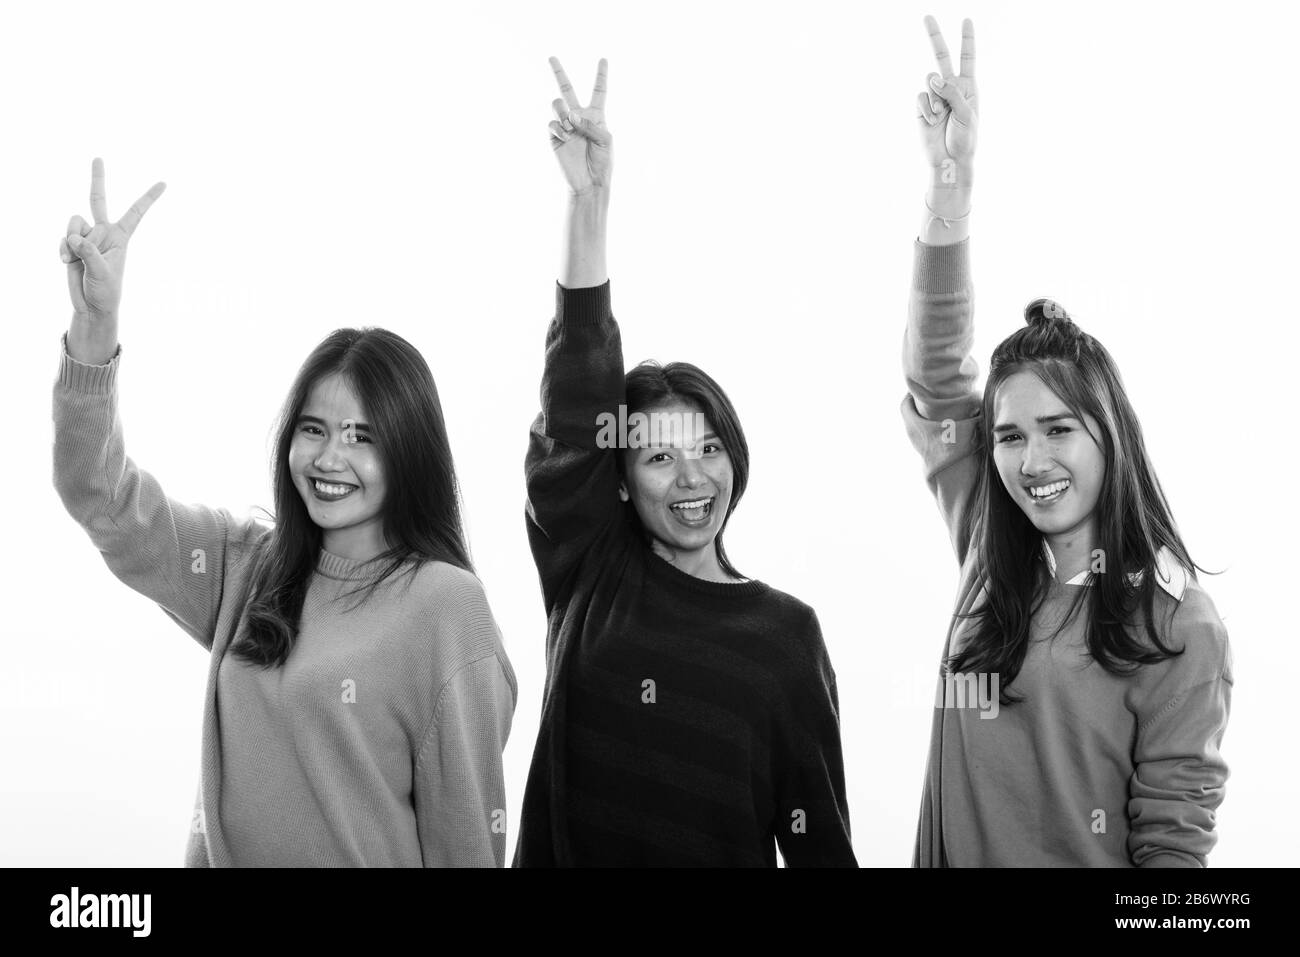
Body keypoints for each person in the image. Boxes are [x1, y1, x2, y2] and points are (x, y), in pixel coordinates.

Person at [52, 159, 517, 867]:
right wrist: (95, 323)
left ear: (411, 451)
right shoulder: (245, 565)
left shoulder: (446, 607)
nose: (331, 457)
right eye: (314, 428)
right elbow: (100, 493)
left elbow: (465, 846)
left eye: (364, 436)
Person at [902, 17, 1231, 867]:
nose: (1031, 461)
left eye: (1059, 430)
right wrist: (951, 191)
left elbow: (1173, 853)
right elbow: (940, 377)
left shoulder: (1180, 623)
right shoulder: (988, 542)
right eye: (1008, 435)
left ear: (1109, 436)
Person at [514, 59, 856, 867]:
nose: (692, 477)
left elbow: (819, 846)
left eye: (708, 449)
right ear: (620, 482)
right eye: (659, 457)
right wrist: (587, 204)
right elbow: (577, 400)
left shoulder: (785, 636)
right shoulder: (588, 569)